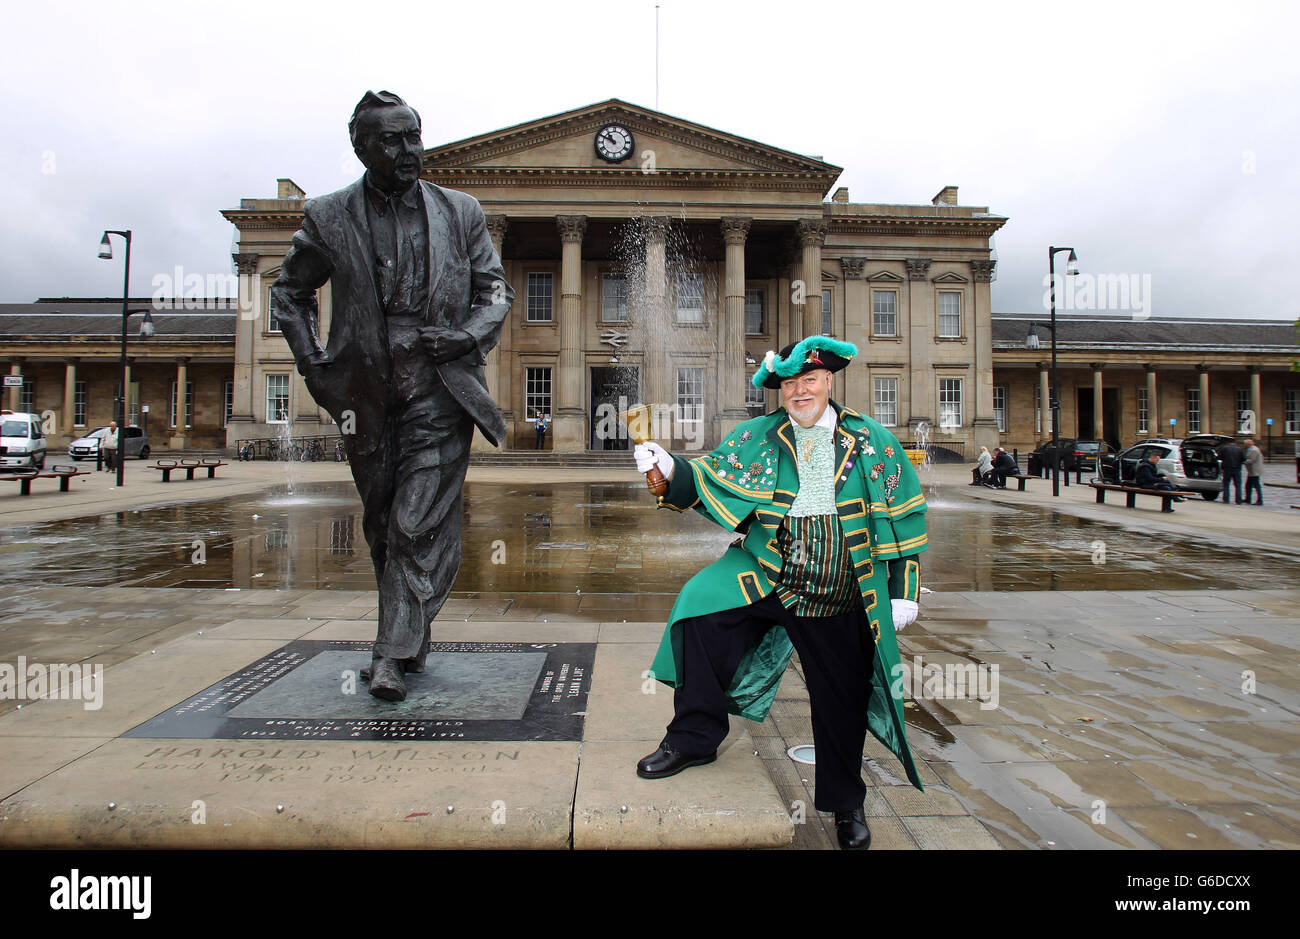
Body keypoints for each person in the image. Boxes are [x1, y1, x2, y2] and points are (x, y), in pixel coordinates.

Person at [633, 336, 927, 850]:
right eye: (789, 383)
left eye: (808, 380)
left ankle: (844, 802)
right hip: (768, 572)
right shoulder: (759, 435)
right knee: (699, 611)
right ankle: (694, 738)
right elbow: (710, 481)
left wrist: (903, 590)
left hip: (839, 587)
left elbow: (903, 520)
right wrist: (671, 469)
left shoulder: (873, 440)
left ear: (828, 381)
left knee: (842, 695)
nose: (798, 391)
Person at [272, 91, 512, 701]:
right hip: (362, 394)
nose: (410, 150)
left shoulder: (460, 212)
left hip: (440, 389)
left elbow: (496, 292)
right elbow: (289, 293)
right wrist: (314, 365)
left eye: (415, 136)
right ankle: (410, 628)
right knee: (382, 523)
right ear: (362, 147)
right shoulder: (328, 215)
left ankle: (390, 655)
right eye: (393, 140)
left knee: (413, 522)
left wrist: (465, 336)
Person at [1219, 439, 1245, 504]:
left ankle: (1226, 499)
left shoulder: (1225, 448)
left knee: (1226, 484)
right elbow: (1243, 459)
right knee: (1238, 485)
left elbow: (1219, 457)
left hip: (1227, 468)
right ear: (1235, 443)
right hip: (1237, 469)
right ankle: (1238, 501)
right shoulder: (1240, 449)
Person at [1243, 437, 1264, 505]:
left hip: (1255, 471)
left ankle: (1260, 500)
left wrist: (1242, 462)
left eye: (1245, 444)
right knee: (1248, 485)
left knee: (1256, 486)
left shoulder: (1254, 450)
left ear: (1248, 444)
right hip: (1251, 471)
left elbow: (1251, 460)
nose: (1245, 445)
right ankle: (1248, 499)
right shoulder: (1251, 449)